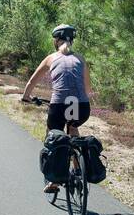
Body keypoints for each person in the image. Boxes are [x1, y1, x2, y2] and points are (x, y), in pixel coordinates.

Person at [21, 24, 92, 194]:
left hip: (59, 105)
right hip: (80, 105)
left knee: (54, 136)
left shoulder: (51, 58)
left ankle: (53, 180)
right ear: (71, 40)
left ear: (56, 40)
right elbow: (88, 88)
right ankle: (77, 170)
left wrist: (25, 97)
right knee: (73, 127)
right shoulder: (81, 59)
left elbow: (32, 81)